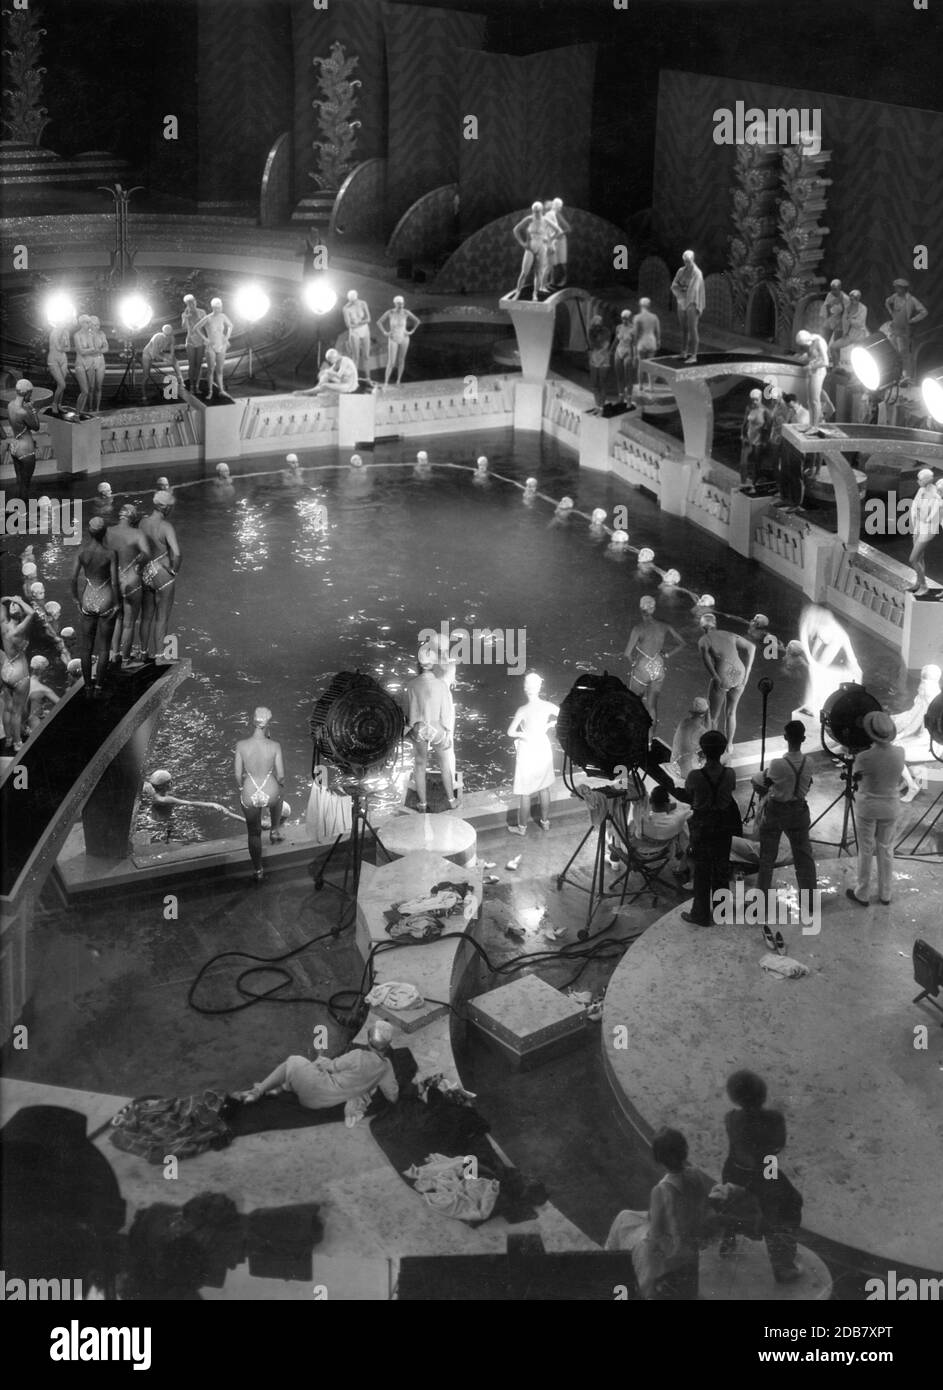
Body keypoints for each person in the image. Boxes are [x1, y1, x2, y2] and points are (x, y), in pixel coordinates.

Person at [605, 1127, 716, 1300]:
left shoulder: (661, 1190)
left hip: (672, 1248)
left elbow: (655, 1233)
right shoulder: (696, 1175)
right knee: (626, 1216)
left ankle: (612, 1264)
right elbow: (701, 1209)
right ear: (684, 1151)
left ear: (659, 1159)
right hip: (691, 1241)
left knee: (625, 1223)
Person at [720, 1070, 803, 1284]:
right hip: (765, 1170)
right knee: (789, 1205)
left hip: (735, 1171)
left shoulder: (731, 1118)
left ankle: (728, 1237)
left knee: (731, 1202)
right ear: (763, 1094)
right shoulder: (774, 1119)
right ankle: (782, 1264)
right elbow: (777, 1146)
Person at [239, 1018, 399, 1111]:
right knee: (305, 1070)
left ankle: (257, 1091)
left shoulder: (357, 1055)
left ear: (369, 1040)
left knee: (294, 1061)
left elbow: (330, 1067)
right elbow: (392, 1096)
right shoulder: (386, 1067)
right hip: (321, 1103)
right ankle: (281, 1087)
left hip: (317, 1089)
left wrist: (320, 1060)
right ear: (389, 1043)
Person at [752, 720, 817, 915]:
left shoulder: (778, 764)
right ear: (804, 739)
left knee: (767, 858)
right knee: (804, 857)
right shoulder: (810, 762)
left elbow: (766, 784)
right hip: (799, 811)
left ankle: (760, 904)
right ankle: (810, 903)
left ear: (785, 737)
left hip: (777, 812)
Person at [679, 729, 741, 927]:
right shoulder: (730, 774)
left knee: (702, 870)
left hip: (703, 827)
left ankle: (700, 914)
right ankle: (721, 910)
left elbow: (689, 794)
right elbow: (729, 793)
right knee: (722, 867)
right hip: (724, 825)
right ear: (723, 750)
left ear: (703, 751)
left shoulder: (695, 776)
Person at [847, 710, 904, 907]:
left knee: (865, 849)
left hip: (868, 808)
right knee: (886, 850)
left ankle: (862, 893)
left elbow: (857, 778)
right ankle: (885, 894)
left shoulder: (864, 757)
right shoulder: (900, 752)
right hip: (891, 807)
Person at [234, 707, 285, 882]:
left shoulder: (241, 745)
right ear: (268, 724)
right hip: (269, 791)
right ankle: (275, 830)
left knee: (253, 833)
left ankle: (258, 870)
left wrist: (245, 785)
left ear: (253, 722)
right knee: (279, 792)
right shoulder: (275, 745)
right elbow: (281, 775)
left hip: (250, 791)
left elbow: (237, 776)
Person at [70, 515, 120, 696]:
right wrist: (117, 604)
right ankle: (99, 687)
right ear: (104, 532)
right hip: (106, 598)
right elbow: (114, 582)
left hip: (88, 599)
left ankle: (88, 687)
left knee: (86, 647)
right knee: (104, 647)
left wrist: (76, 599)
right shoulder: (110, 553)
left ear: (89, 532)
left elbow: (74, 578)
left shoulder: (82, 552)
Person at [402, 646, 457, 812]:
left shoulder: (411, 685)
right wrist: (447, 731)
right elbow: (446, 712)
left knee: (420, 765)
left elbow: (407, 710)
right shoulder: (441, 685)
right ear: (433, 663)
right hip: (437, 728)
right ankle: (451, 800)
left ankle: (422, 804)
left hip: (419, 728)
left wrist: (411, 726)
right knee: (444, 764)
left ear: (419, 663)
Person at [624, 595, 685, 733]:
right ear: (654, 608)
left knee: (633, 703)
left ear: (640, 608)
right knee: (652, 706)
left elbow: (627, 653)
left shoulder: (638, 628)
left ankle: (633, 735)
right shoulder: (664, 625)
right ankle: (650, 741)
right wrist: (668, 654)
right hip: (658, 666)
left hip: (643, 667)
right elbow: (682, 643)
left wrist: (633, 663)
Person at [507, 672, 559, 834]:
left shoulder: (522, 710)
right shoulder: (548, 706)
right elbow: (566, 717)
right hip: (542, 747)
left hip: (528, 750)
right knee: (544, 788)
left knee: (525, 792)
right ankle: (545, 822)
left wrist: (524, 734)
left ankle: (522, 828)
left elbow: (511, 732)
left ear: (525, 688)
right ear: (539, 687)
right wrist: (550, 725)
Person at [697, 612, 755, 745]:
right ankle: (729, 746)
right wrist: (747, 673)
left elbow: (708, 663)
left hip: (723, 676)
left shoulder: (704, 640)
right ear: (715, 624)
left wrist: (716, 678)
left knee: (712, 716)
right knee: (731, 712)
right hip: (740, 673)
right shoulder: (729, 634)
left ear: (702, 627)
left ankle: (712, 747)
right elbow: (752, 647)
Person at [139, 491, 180, 661]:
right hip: (161, 574)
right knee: (161, 618)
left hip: (144, 573)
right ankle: (160, 656)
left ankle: (143, 653)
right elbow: (177, 554)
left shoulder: (141, 522)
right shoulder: (166, 527)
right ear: (166, 507)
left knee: (146, 616)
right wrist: (173, 570)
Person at [106, 503, 149, 663]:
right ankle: (125, 658)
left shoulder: (108, 532)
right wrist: (138, 564)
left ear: (120, 516)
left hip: (114, 581)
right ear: (133, 518)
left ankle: (114, 654)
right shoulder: (138, 534)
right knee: (129, 624)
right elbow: (147, 554)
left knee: (118, 618)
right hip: (132, 580)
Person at [629, 784, 691, 879]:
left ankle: (614, 859)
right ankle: (683, 862)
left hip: (638, 853)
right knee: (683, 829)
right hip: (661, 851)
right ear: (667, 803)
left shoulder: (641, 819)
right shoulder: (677, 819)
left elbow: (640, 802)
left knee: (631, 826)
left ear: (650, 801)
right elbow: (686, 806)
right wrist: (671, 806)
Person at [1, 597, 34, 748]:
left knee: (8, 706)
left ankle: (8, 739)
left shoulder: (3, 625)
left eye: (15, 605)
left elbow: (0, 602)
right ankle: (17, 742)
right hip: (19, 673)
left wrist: (8, 599)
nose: (13, 605)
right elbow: (31, 613)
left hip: (6, 671)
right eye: (13, 605)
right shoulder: (19, 629)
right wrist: (19, 601)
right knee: (17, 711)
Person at [883, 277, 927, 378]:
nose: (897, 290)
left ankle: (906, 376)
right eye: (896, 288)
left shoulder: (911, 300)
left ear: (904, 289)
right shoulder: (894, 297)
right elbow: (887, 302)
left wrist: (912, 320)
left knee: (904, 353)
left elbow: (924, 312)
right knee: (893, 351)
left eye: (899, 288)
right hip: (894, 328)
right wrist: (891, 312)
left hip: (904, 330)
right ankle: (896, 374)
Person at [512, 202, 557, 300]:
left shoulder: (546, 220)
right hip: (531, 246)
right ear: (533, 211)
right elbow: (516, 230)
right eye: (534, 211)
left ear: (541, 211)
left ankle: (535, 294)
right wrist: (522, 243)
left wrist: (549, 240)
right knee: (524, 272)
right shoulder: (529, 219)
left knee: (538, 272)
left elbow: (557, 231)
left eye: (538, 211)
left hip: (541, 247)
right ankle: (518, 292)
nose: (536, 213)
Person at [907, 468, 940, 596]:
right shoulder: (921, 490)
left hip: (927, 530)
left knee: (913, 559)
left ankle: (924, 585)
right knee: (920, 557)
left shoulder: (935, 494)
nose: (917, 481)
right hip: (918, 527)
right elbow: (914, 507)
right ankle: (918, 583)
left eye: (919, 479)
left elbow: (933, 515)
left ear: (927, 480)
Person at [6, 380, 41, 497]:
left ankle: (18, 509)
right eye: (30, 393)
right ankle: (24, 510)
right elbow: (36, 426)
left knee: (20, 481)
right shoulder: (24, 412)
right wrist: (33, 410)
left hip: (14, 447)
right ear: (26, 393)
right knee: (26, 485)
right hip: (26, 449)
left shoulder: (10, 405)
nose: (31, 396)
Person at [194, 298, 233, 399]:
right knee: (211, 370)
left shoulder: (223, 316)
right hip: (211, 346)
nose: (219, 309)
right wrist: (205, 339)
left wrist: (227, 336)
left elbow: (230, 326)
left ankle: (221, 390)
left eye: (220, 307)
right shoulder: (208, 318)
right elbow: (196, 328)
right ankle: (210, 391)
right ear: (213, 308)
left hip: (221, 345)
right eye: (217, 308)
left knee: (220, 370)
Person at [670, 249, 705, 364]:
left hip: (693, 303)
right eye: (685, 261)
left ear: (692, 260)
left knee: (692, 328)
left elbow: (692, 291)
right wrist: (681, 292)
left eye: (688, 261)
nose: (686, 263)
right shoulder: (681, 271)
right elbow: (674, 285)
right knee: (684, 328)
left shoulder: (697, 273)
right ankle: (684, 351)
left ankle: (694, 355)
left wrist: (683, 289)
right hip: (682, 301)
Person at [376, 296, 420, 386]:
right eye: (399, 303)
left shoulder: (406, 312)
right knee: (391, 361)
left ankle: (398, 380)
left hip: (404, 337)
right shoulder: (390, 312)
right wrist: (385, 332)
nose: (401, 305)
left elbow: (417, 321)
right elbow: (379, 322)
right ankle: (386, 382)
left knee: (401, 360)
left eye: (402, 303)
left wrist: (411, 331)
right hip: (393, 337)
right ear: (395, 304)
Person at [670, 695, 711, 779]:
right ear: (705, 714)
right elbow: (710, 733)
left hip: (674, 765)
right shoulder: (701, 731)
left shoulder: (684, 722)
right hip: (686, 773)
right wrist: (708, 714)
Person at [795, 329, 830, 426]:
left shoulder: (818, 342)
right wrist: (805, 357)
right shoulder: (810, 343)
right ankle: (811, 425)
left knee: (815, 400)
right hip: (812, 371)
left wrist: (810, 366)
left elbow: (826, 362)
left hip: (818, 372)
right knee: (809, 401)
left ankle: (815, 426)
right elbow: (813, 356)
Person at [141, 325, 184, 402]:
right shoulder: (157, 337)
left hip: (158, 352)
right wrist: (164, 359)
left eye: (169, 334)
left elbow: (172, 349)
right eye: (166, 335)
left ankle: (180, 378)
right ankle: (144, 395)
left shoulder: (171, 337)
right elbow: (154, 354)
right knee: (146, 376)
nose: (168, 336)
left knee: (174, 360)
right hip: (147, 354)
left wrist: (170, 357)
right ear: (163, 333)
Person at [740, 388, 770, 489]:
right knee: (743, 462)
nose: (754, 402)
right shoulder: (749, 408)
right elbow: (744, 423)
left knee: (757, 463)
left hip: (759, 440)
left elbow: (768, 427)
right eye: (752, 400)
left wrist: (765, 441)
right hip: (748, 438)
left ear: (760, 398)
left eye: (756, 399)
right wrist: (743, 435)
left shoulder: (765, 411)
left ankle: (754, 483)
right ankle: (742, 482)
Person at [26, 655, 59, 734]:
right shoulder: (44, 690)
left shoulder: (20, 685)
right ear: (43, 670)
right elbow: (64, 705)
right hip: (36, 730)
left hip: (23, 729)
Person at [632, 297, 661, 388]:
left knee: (641, 365)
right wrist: (658, 341)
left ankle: (640, 385)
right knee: (650, 364)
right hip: (651, 341)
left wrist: (634, 344)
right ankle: (651, 385)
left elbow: (636, 333)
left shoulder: (637, 317)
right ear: (649, 306)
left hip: (642, 342)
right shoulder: (654, 317)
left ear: (640, 305)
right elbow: (658, 331)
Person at [342, 289, 371, 377]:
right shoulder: (346, 308)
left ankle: (368, 378)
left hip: (364, 330)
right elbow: (348, 325)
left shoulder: (363, 303)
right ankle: (354, 379)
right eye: (351, 301)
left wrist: (357, 323)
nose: (354, 302)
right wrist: (360, 323)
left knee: (366, 356)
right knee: (356, 357)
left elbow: (369, 319)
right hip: (354, 332)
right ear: (349, 299)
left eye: (355, 300)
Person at [543, 197, 571, 287]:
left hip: (561, 240)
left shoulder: (557, 215)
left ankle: (565, 279)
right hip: (553, 240)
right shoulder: (547, 215)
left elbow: (568, 229)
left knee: (562, 261)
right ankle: (552, 281)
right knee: (552, 262)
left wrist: (559, 234)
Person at [180, 294, 206, 392]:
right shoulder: (184, 313)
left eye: (193, 301)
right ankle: (191, 386)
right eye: (189, 303)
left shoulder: (202, 312)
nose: (192, 304)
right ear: (187, 304)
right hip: (190, 340)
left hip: (200, 340)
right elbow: (183, 327)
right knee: (191, 365)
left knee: (199, 364)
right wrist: (186, 317)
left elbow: (205, 324)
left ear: (195, 301)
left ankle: (197, 386)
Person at [587, 315, 612, 413]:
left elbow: (606, 345)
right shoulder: (591, 332)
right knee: (594, 385)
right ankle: (597, 405)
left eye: (600, 321)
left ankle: (601, 407)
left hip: (603, 359)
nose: (599, 323)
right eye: (597, 321)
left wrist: (600, 358)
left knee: (602, 384)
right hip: (594, 358)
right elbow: (592, 345)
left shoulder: (606, 331)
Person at [47, 321, 72, 412]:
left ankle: (59, 404)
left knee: (60, 385)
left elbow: (68, 348)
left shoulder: (66, 332)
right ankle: (54, 403)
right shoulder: (54, 333)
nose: (65, 324)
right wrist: (63, 346)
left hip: (63, 359)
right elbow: (59, 348)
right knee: (62, 385)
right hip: (53, 360)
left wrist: (64, 347)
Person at [613, 310, 637, 405]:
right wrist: (610, 350)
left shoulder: (633, 329)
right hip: (618, 351)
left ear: (630, 318)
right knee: (619, 376)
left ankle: (629, 399)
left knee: (628, 377)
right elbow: (616, 340)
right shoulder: (618, 327)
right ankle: (620, 397)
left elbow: (634, 344)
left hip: (628, 351)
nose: (624, 320)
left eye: (626, 318)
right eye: (623, 318)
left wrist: (635, 357)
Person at [85, 316, 109, 413]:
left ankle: (97, 409)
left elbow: (106, 347)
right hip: (89, 361)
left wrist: (99, 351)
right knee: (91, 387)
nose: (97, 327)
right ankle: (90, 408)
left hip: (100, 360)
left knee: (99, 386)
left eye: (98, 324)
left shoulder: (101, 334)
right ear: (90, 325)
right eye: (95, 325)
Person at [822, 279, 849, 358]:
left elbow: (847, 313)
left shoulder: (845, 298)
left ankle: (836, 365)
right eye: (832, 289)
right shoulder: (829, 295)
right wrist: (828, 317)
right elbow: (827, 306)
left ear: (840, 288)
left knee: (836, 346)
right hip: (830, 320)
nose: (833, 291)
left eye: (835, 289)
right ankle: (821, 359)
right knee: (823, 341)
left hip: (840, 324)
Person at [72, 316, 92, 412]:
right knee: (85, 391)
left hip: (89, 364)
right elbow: (81, 351)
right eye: (87, 322)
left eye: (89, 322)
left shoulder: (90, 335)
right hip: (80, 364)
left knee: (87, 391)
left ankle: (81, 412)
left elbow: (93, 349)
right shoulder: (77, 335)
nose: (89, 325)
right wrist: (90, 349)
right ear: (82, 323)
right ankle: (77, 413)